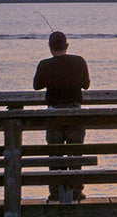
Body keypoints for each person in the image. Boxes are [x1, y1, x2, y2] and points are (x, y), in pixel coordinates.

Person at [33, 31, 91, 202]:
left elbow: (36, 86)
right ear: (67, 46)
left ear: (50, 48)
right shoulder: (79, 61)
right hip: (74, 112)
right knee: (75, 152)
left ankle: (56, 192)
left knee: (55, 153)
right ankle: (75, 191)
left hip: (54, 113)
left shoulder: (44, 64)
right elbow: (86, 85)